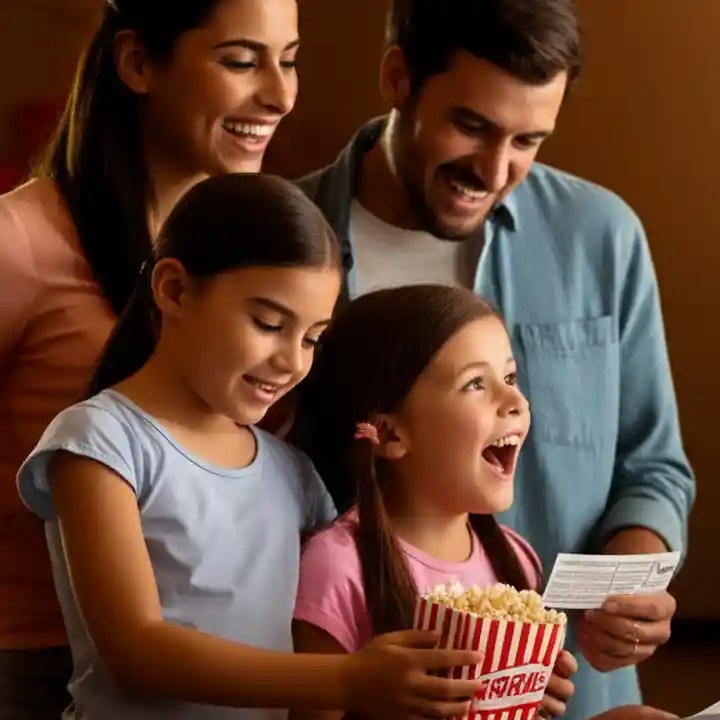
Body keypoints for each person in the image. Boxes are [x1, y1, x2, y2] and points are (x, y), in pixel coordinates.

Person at [297, 2, 695, 717]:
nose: (494, 168)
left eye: (529, 140)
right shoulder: (284, 245)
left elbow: (653, 464)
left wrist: (630, 580)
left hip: (575, 698)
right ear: (397, 78)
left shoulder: (601, 236)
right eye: (471, 126)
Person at [16, 174, 484, 719]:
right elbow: (137, 649)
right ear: (174, 289)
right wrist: (346, 678)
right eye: (268, 323)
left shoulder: (294, 475)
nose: (292, 361)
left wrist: (494, 676)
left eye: (311, 338)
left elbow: (351, 613)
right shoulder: (101, 444)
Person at [0, 1, 299, 714]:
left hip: (227, 669)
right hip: (43, 667)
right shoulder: (21, 240)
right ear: (137, 62)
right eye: (241, 60)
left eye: (289, 60)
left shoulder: (264, 248)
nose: (280, 95)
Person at [290, 283, 577, 719]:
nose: (516, 401)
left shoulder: (517, 560)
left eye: (511, 377)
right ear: (389, 433)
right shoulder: (337, 569)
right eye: (476, 384)